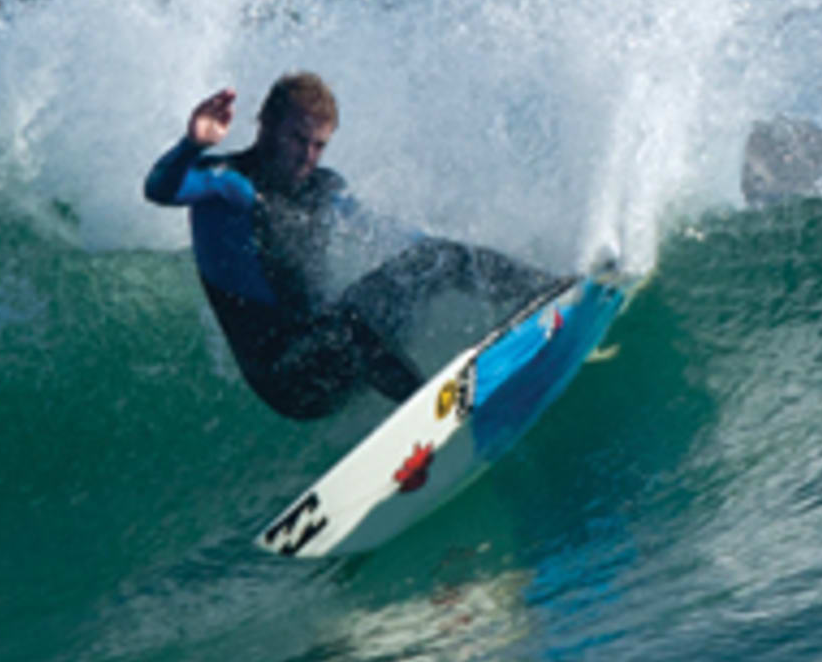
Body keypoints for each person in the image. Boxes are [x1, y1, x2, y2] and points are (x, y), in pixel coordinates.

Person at [145, 72, 560, 421]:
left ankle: (551, 295)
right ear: (267, 125)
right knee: (348, 327)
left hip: (338, 352)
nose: (307, 156)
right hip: (287, 378)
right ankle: (440, 420)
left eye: (318, 145)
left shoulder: (324, 187)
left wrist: (436, 258)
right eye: (297, 140)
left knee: (437, 258)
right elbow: (160, 190)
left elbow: (382, 229)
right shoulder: (226, 182)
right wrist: (193, 144)